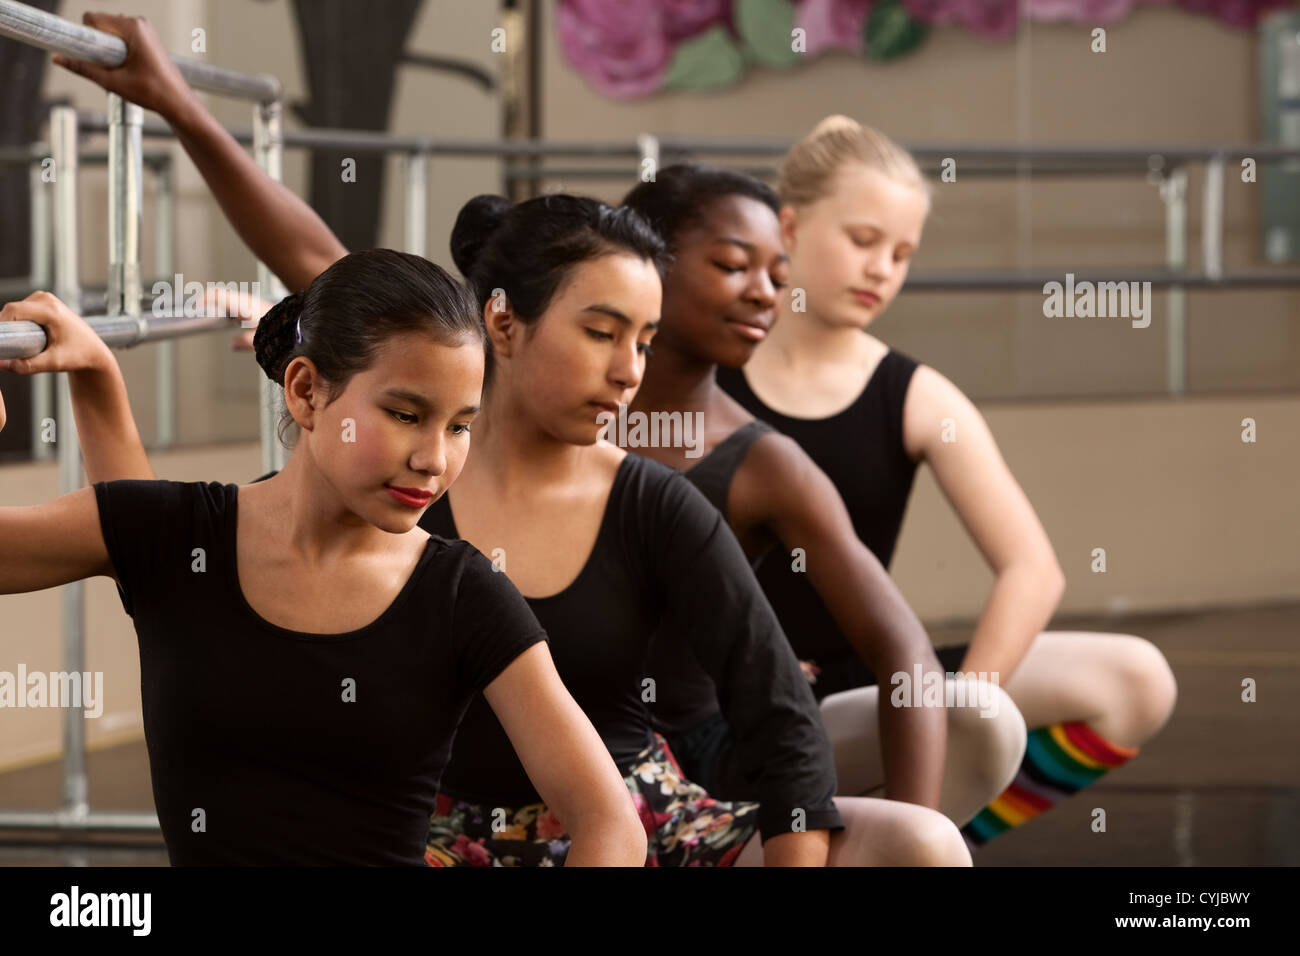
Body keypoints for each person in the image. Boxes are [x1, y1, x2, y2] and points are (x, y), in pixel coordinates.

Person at [0, 255, 647, 866]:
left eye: (459, 427)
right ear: (306, 392)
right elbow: (137, 523)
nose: (433, 460)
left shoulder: (463, 595)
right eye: (404, 413)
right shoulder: (178, 538)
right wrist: (97, 374)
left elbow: (610, 825)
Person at [715, 115, 1179, 848]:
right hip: (732, 700)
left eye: (902, 254)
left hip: (871, 685)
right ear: (790, 228)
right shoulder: (706, 370)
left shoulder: (918, 394)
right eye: (863, 240)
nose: (882, 270)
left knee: (1136, 678)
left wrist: (961, 711)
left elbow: (1033, 570)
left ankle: (941, 838)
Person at [620, 163, 1026, 824]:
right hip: (551, 756)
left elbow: (902, 649)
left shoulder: (767, 463)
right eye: (732, 265)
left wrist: (912, 833)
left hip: (711, 763)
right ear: (647, 263)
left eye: (779, 278)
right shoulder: (551, 411)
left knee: (980, 724)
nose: (764, 295)